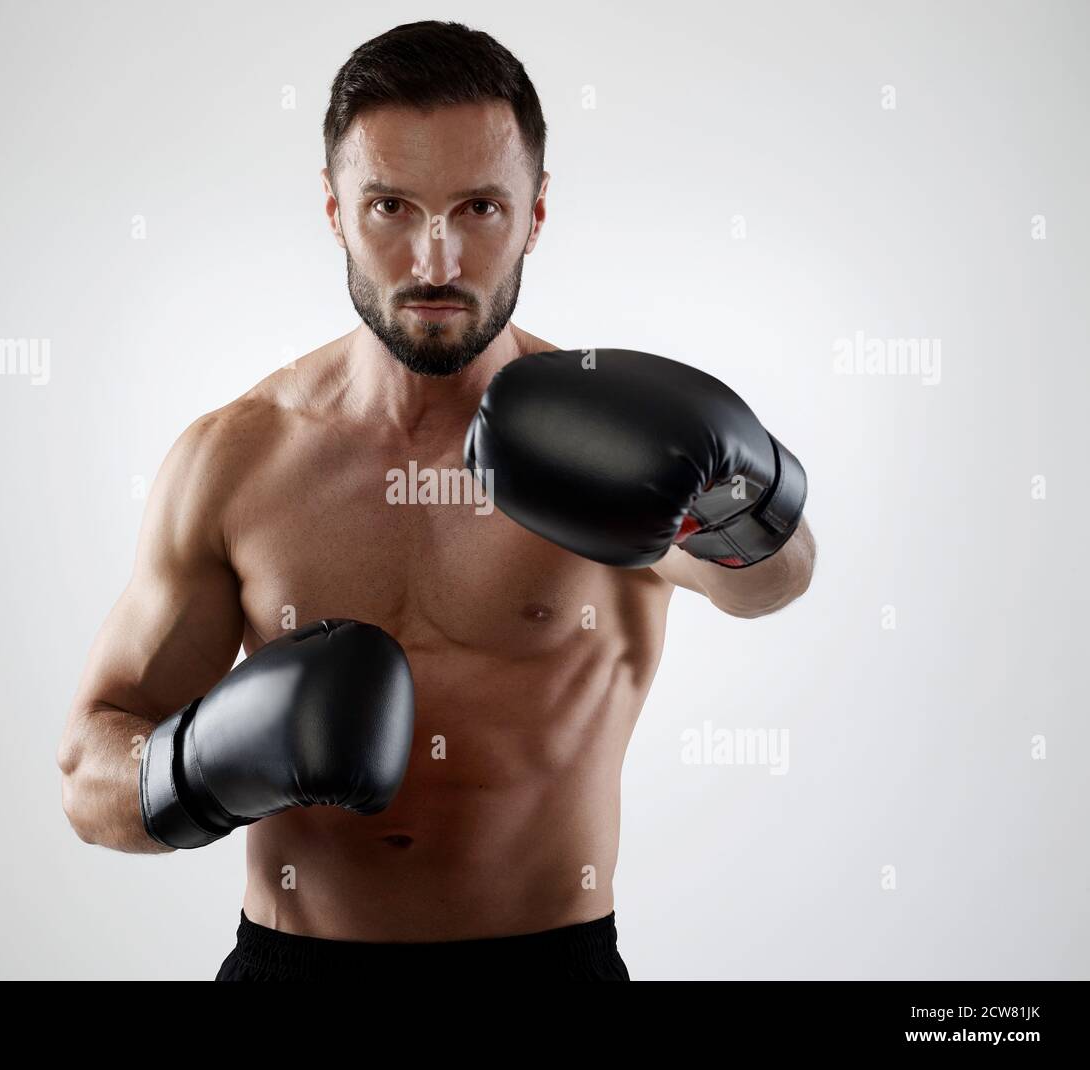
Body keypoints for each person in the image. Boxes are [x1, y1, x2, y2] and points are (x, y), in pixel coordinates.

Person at [56, 20, 815, 982]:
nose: (436, 260)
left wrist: (743, 492)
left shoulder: (598, 442)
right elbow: (88, 778)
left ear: (536, 214)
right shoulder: (235, 462)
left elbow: (774, 586)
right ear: (334, 211)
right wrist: (200, 766)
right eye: (390, 207)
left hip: (552, 970)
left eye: (480, 208)